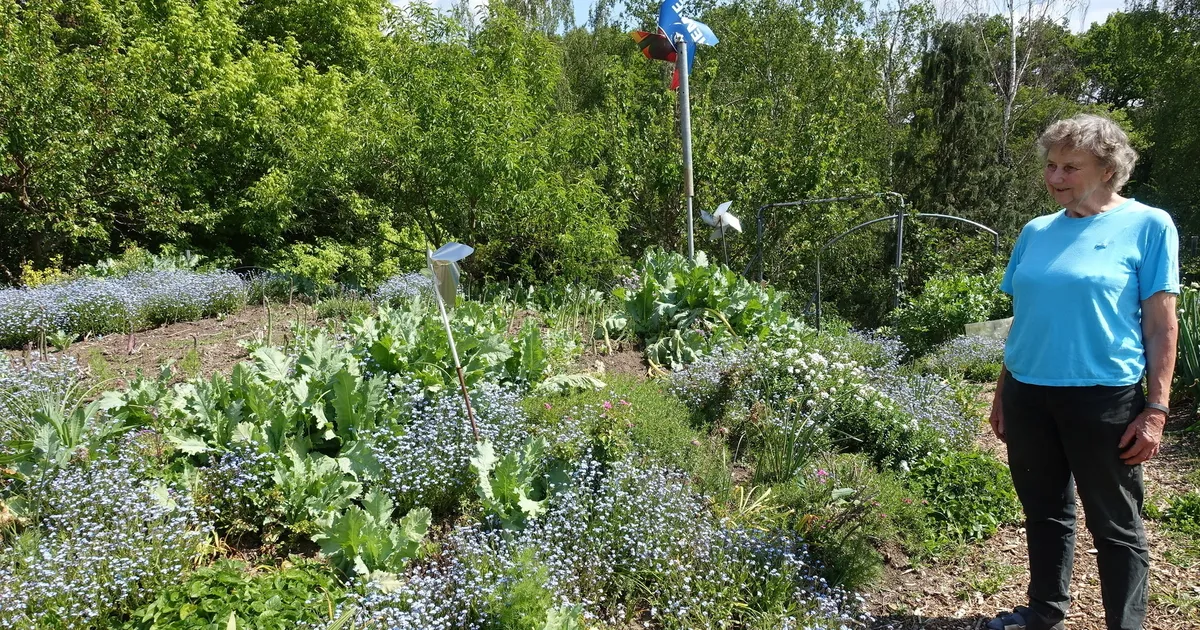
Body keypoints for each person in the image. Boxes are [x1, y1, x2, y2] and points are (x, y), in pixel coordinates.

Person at [987, 113, 1179, 630]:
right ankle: (1044, 614)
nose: (1055, 178)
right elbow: (1025, 319)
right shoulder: (1036, 231)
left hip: (1102, 399)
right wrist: (1004, 392)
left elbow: (1162, 327)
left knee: (1115, 524)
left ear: (1108, 168)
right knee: (1044, 512)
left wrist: (1156, 409)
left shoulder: (1148, 225)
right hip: (1029, 394)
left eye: (1070, 167)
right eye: (1050, 166)